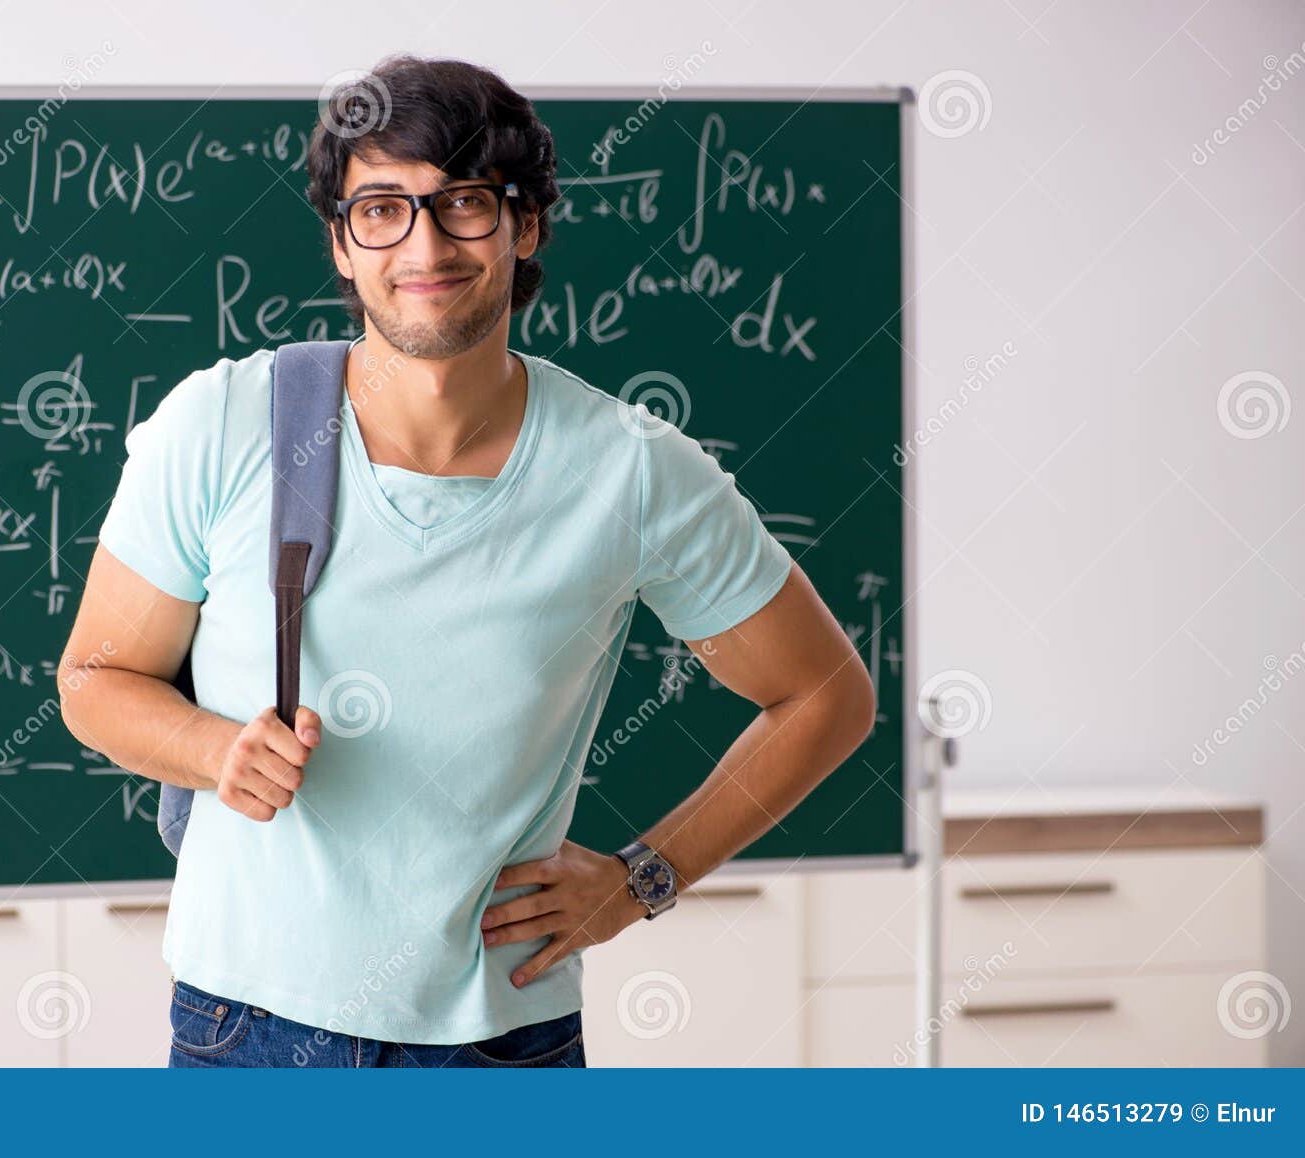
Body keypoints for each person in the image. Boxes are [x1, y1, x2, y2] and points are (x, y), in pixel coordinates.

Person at [58, 54, 875, 1068]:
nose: (424, 245)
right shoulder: (225, 424)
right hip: (241, 1036)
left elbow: (823, 695)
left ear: (526, 226)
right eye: (381, 210)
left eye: (466, 205)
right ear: (342, 244)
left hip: (499, 1049)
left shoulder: (632, 470)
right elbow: (94, 680)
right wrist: (213, 753)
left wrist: (641, 880)